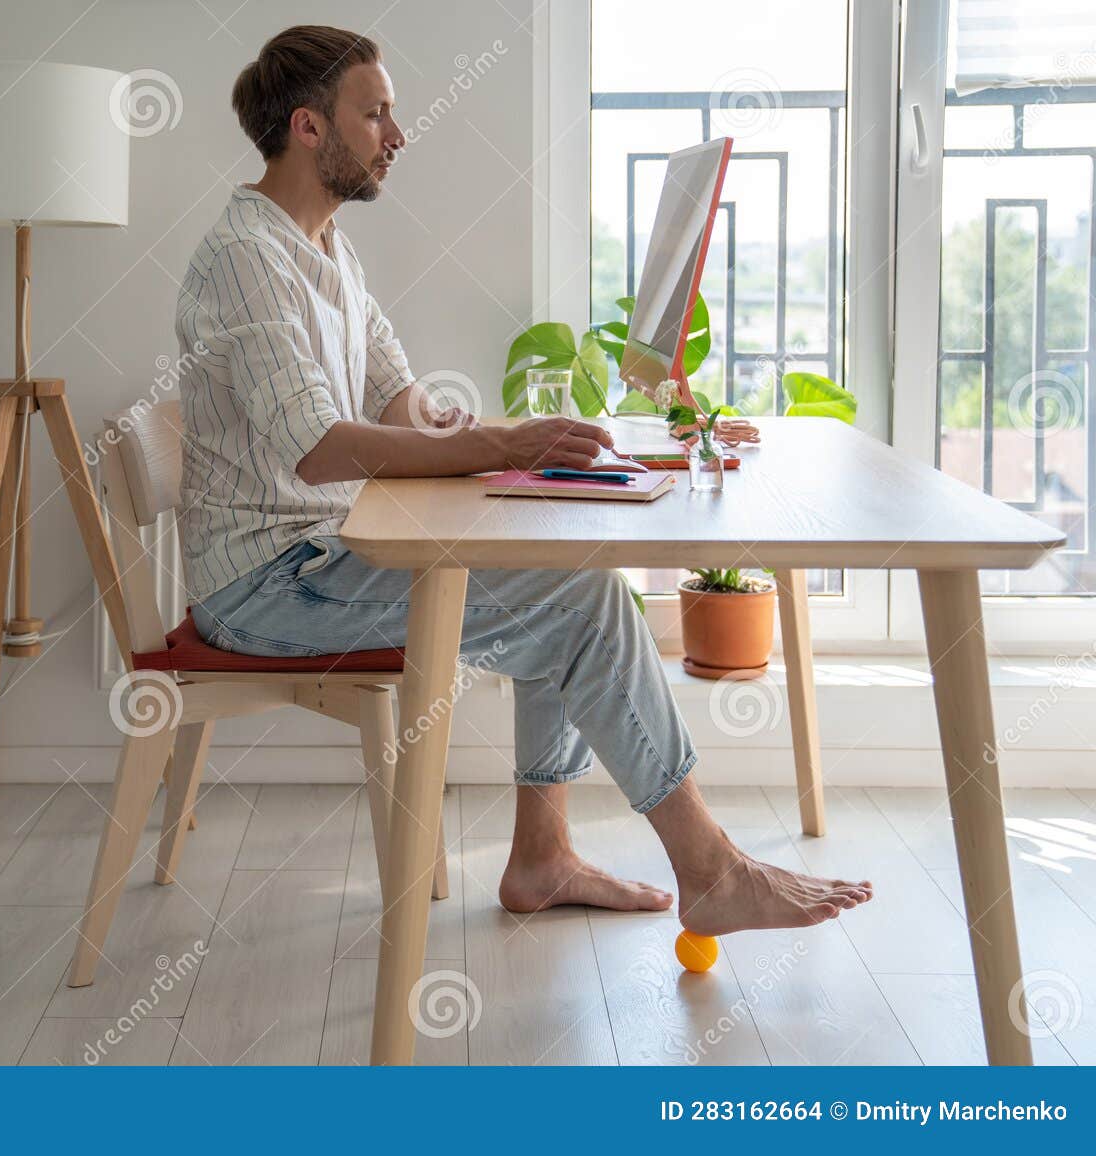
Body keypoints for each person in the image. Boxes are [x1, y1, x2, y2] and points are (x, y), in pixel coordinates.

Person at [172, 24, 871, 935]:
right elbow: (320, 449)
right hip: (268, 585)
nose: (398, 131)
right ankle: (712, 869)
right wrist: (499, 446)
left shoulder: (327, 251)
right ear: (309, 128)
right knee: (581, 606)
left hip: (320, 556)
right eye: (375, 112)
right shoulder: (245, 259)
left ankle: (543, 857)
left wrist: (516, 442)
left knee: (565, 572)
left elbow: (399, 399)